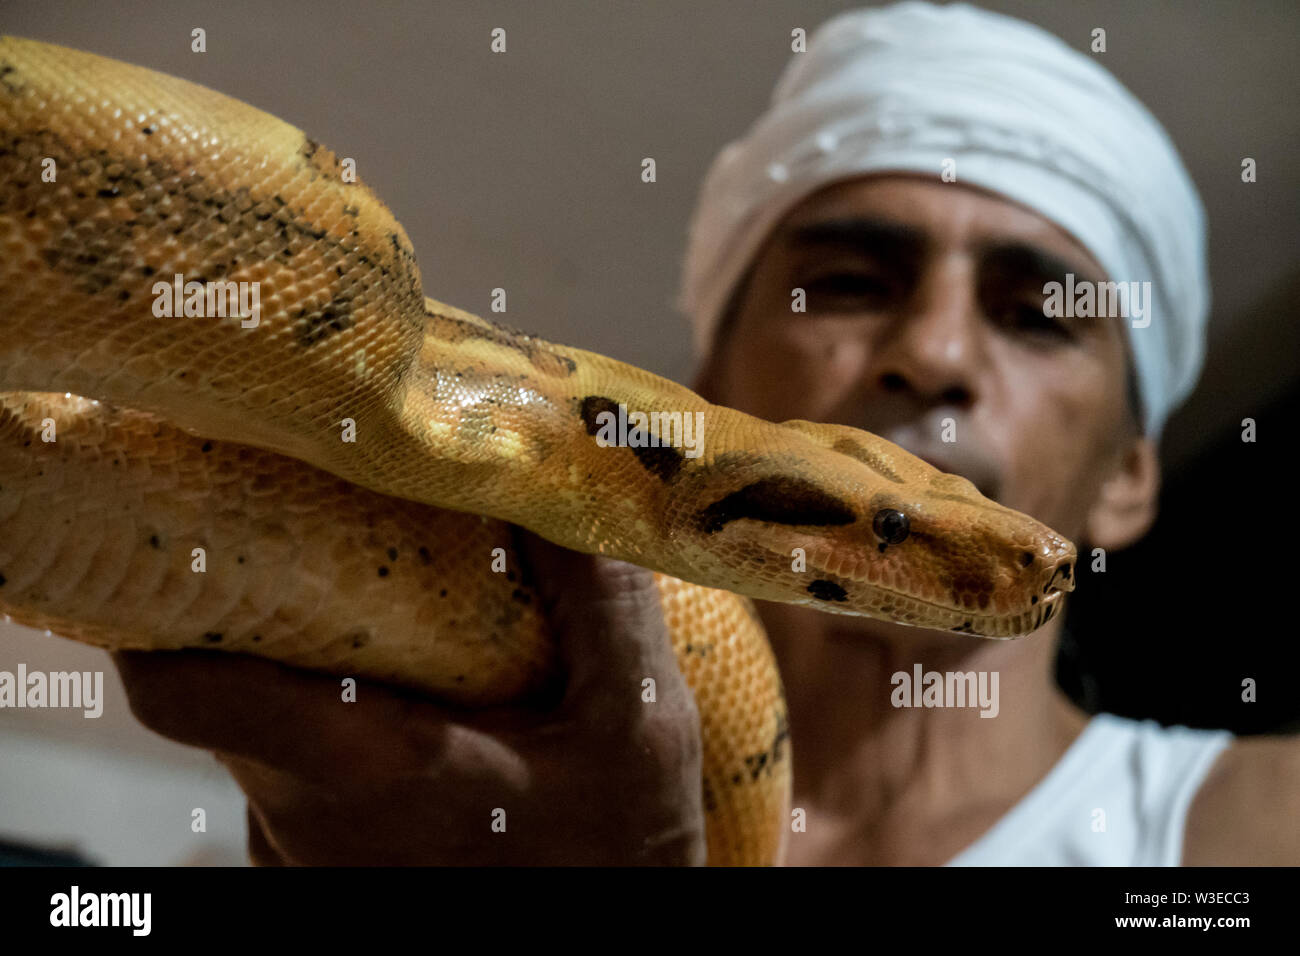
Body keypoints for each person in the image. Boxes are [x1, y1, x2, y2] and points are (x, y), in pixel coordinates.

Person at [113, 2, 1299, 865]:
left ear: (1134, 472)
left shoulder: (1257, 822)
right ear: (710, 383)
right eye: (843, 284)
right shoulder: (377, 793)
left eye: (1039, 315)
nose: (931, 353)